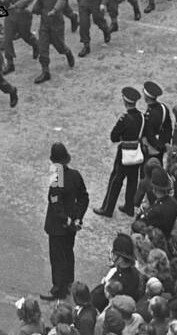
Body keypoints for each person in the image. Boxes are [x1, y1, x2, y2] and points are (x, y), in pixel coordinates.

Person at [42, 142, 88, 301]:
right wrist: (77, 218)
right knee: (68, 253)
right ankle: (68, 282)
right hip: (72, 225)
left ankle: (57, 288)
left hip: (58, 227)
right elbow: (84, 197)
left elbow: (55, 202)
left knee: (57, 257)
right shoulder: (75, 175)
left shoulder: (56, 176)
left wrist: (66, 219)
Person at [95, 86, 146, 217]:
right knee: (132, 180)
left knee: (116, 181)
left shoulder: (124, 119)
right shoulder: (142, 116)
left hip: (124, 153)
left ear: (125, 101)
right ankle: (129, 207)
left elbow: (113, 137)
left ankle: (107, 208)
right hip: (137, 152)